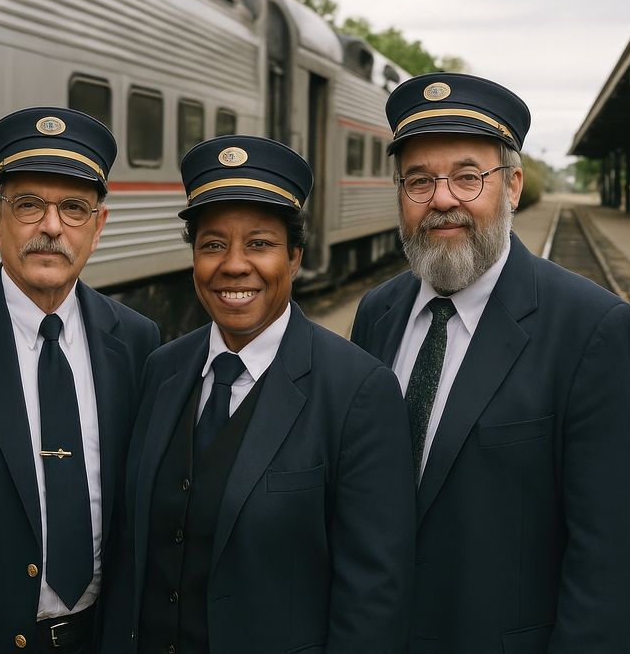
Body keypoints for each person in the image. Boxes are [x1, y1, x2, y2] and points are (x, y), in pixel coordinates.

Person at [351, 72, 630, 652]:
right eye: (419, 181)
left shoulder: (593, 330)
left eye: (467, 177)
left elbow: (610, 561)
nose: (442, 199)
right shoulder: (377, 315)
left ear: (511, 187)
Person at [103, 135, 415, 653]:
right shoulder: (162, 369)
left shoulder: (358, 391)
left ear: (294, 257)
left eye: (260, 244)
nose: (234, 265)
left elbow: (374, 593)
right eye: (212, 244)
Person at [0, 107, 160, 653]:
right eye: (29, 205)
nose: (52, 227)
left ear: (98, 226)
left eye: (74, 208)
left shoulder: (138, 342)